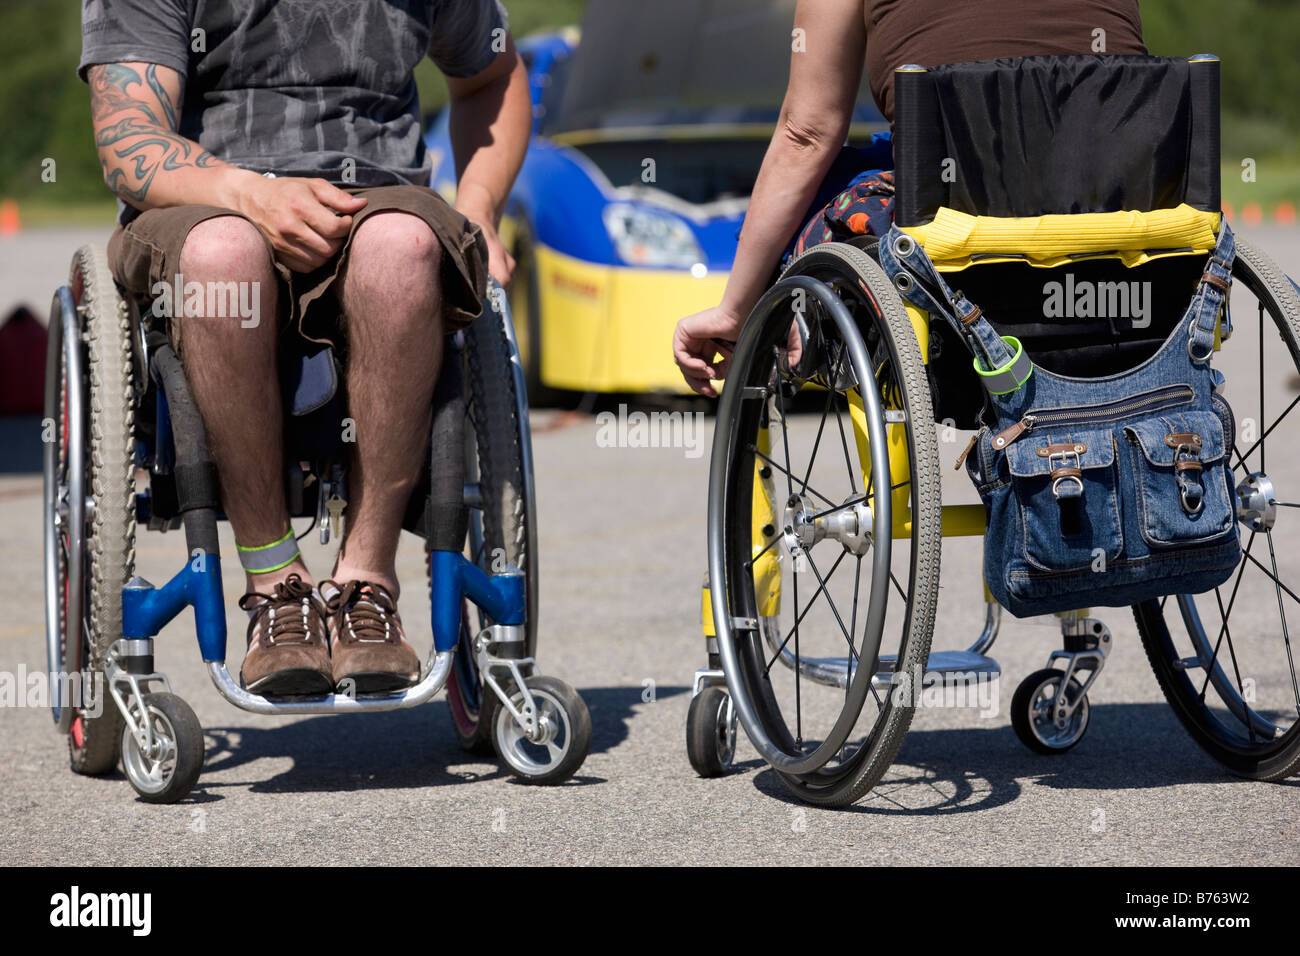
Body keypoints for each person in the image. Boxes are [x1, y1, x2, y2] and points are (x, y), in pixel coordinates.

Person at [80, 0, 532, 695]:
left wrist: (479, 212)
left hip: (378, 204)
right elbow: (129, 141)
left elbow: (493, 75)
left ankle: (367, 586)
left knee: (404, 245)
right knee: (224, 254)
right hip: (205, 208)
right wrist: (251, 196)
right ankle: (276, 587)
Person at [672, 0, 1146, 396]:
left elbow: (806, 134)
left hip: (960, 233)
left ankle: (806, 334)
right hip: (1123, 227)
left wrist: (736, 310)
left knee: (824, 182)